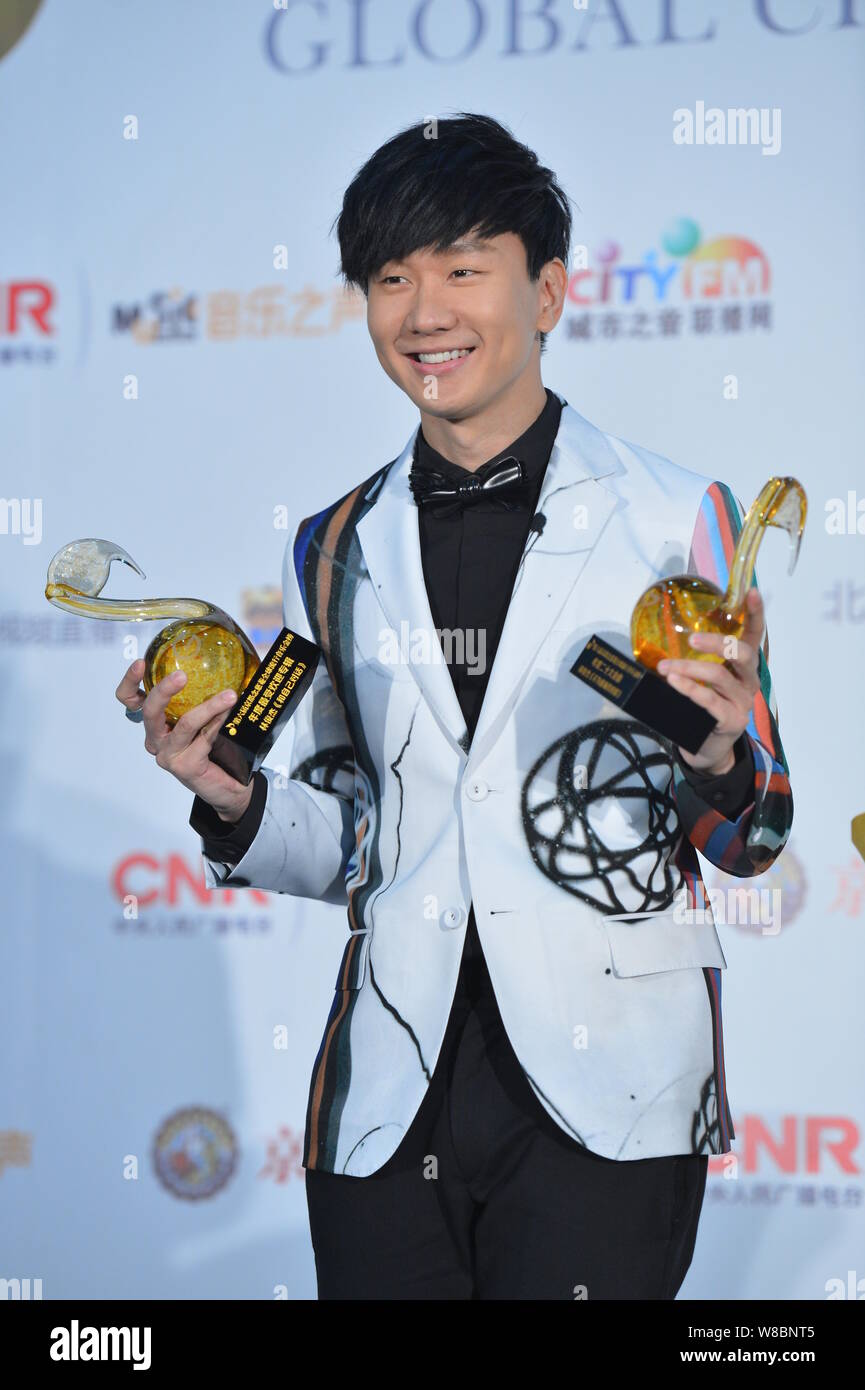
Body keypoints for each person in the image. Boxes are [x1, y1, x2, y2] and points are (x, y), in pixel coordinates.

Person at [115, 113, 793, 1300]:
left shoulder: (674, 520)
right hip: (388, 1088)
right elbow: (345, 841)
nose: (425, 312)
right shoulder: (332, 545)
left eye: (463, 269)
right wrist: (230, 799)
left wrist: (725, 753)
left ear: (549, 292)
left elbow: (758, 834)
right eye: (391, 277)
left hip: (612, 1097)